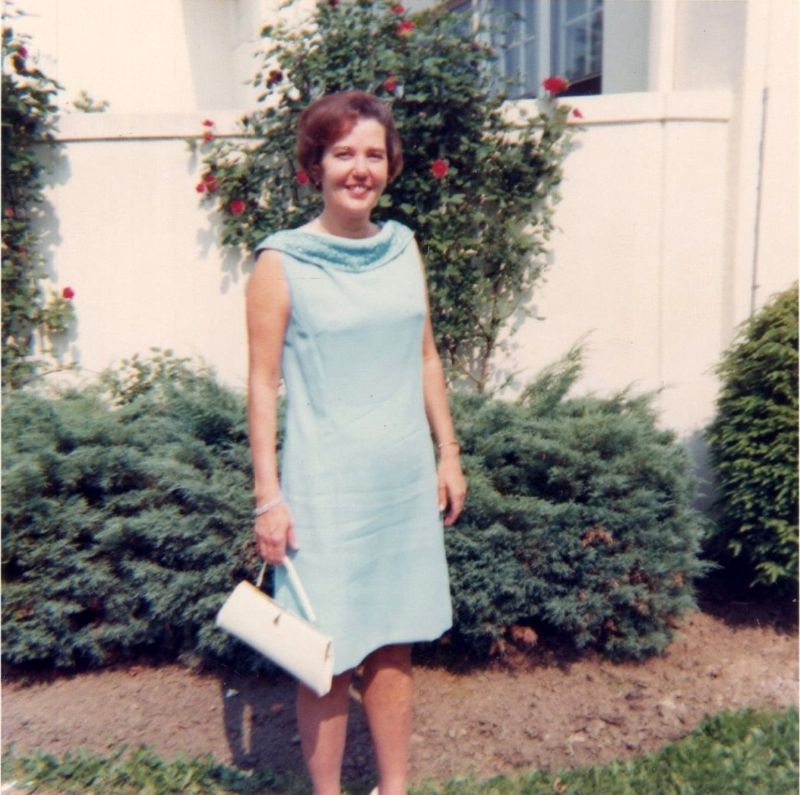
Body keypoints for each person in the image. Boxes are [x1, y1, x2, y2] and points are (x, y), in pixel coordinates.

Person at [245, 90, 467, 795]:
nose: (359, 168)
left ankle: (395, 788)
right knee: (328, 652)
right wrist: (267, 497)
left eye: (373, 153)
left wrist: (448, 452)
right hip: (325, 488)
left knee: (395, 643)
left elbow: (426, 355)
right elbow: (260, 383)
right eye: (344, 153)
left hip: (400, 483)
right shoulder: (280, 261)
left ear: (390, 164)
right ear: (316, 164)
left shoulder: (403, 246)